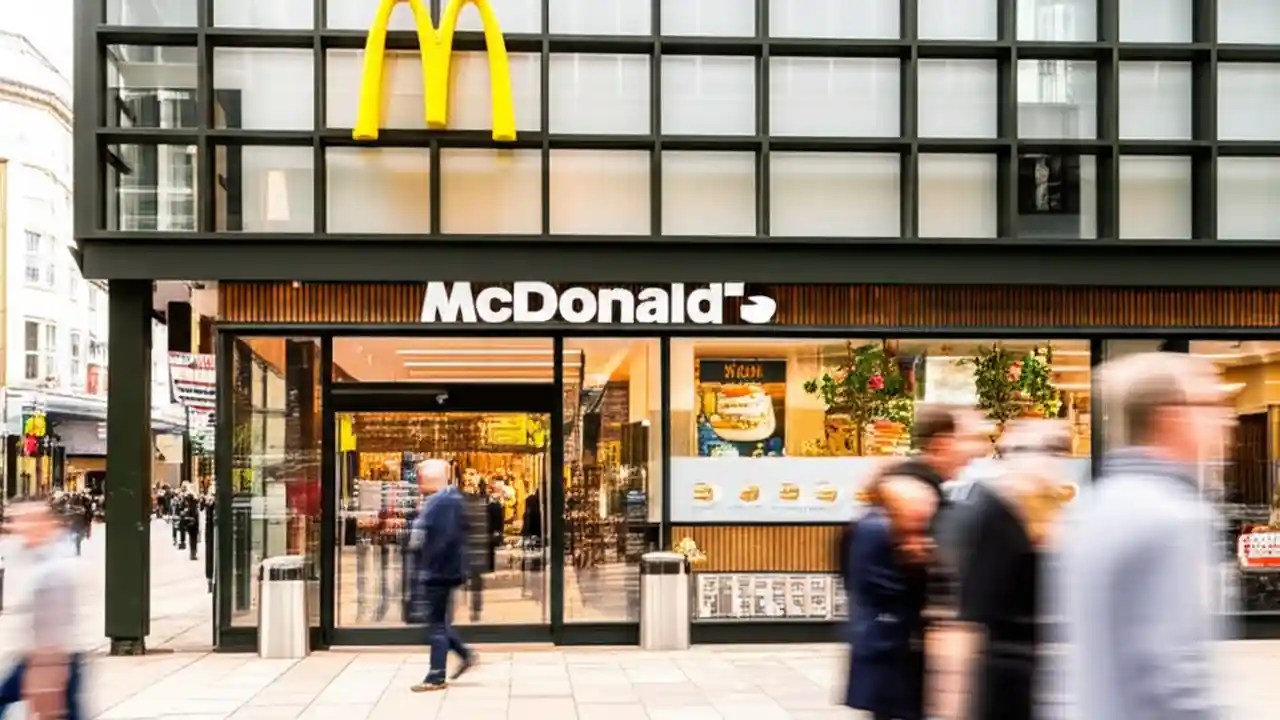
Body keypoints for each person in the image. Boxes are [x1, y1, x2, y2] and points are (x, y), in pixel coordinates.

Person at [1058, 352, 1233, 720]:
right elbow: (1176, 677)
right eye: (1210, 405)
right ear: (1171, 415)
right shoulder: (1174, 517)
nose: (1226, 419)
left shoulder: (1092, 508)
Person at [942, 420, 1075, 720]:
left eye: (1060, 452)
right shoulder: (992, 511)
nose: (1056, 463)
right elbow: (972, 609)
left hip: (1030, 669)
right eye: (1050, 451)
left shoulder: (1034, 510)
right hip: (1001, 673)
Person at [843, 476, 937, 720]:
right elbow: (879, 582)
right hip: (884, 637)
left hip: (889, 637)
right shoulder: (876, 528)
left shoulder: (888, 528)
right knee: (891, 707)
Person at [0, 500, 84, 720]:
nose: (16, 527)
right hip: (43, 658)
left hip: (50, 659)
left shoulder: (53, 569)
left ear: (44, 524)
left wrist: (44, 678)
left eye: (24, 521)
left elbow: (52, 631)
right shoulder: (35, 557)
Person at [408, 459, 477, 692]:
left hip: (438, 571)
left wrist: (426, 564)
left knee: (436, 624)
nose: (419, 482)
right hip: (448, 570)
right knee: (439, 621)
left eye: (421, 477)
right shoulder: (453, 499)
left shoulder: (439, 503)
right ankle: (465, 653)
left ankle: (436, 675)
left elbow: (432, 539)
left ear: (431, 478)